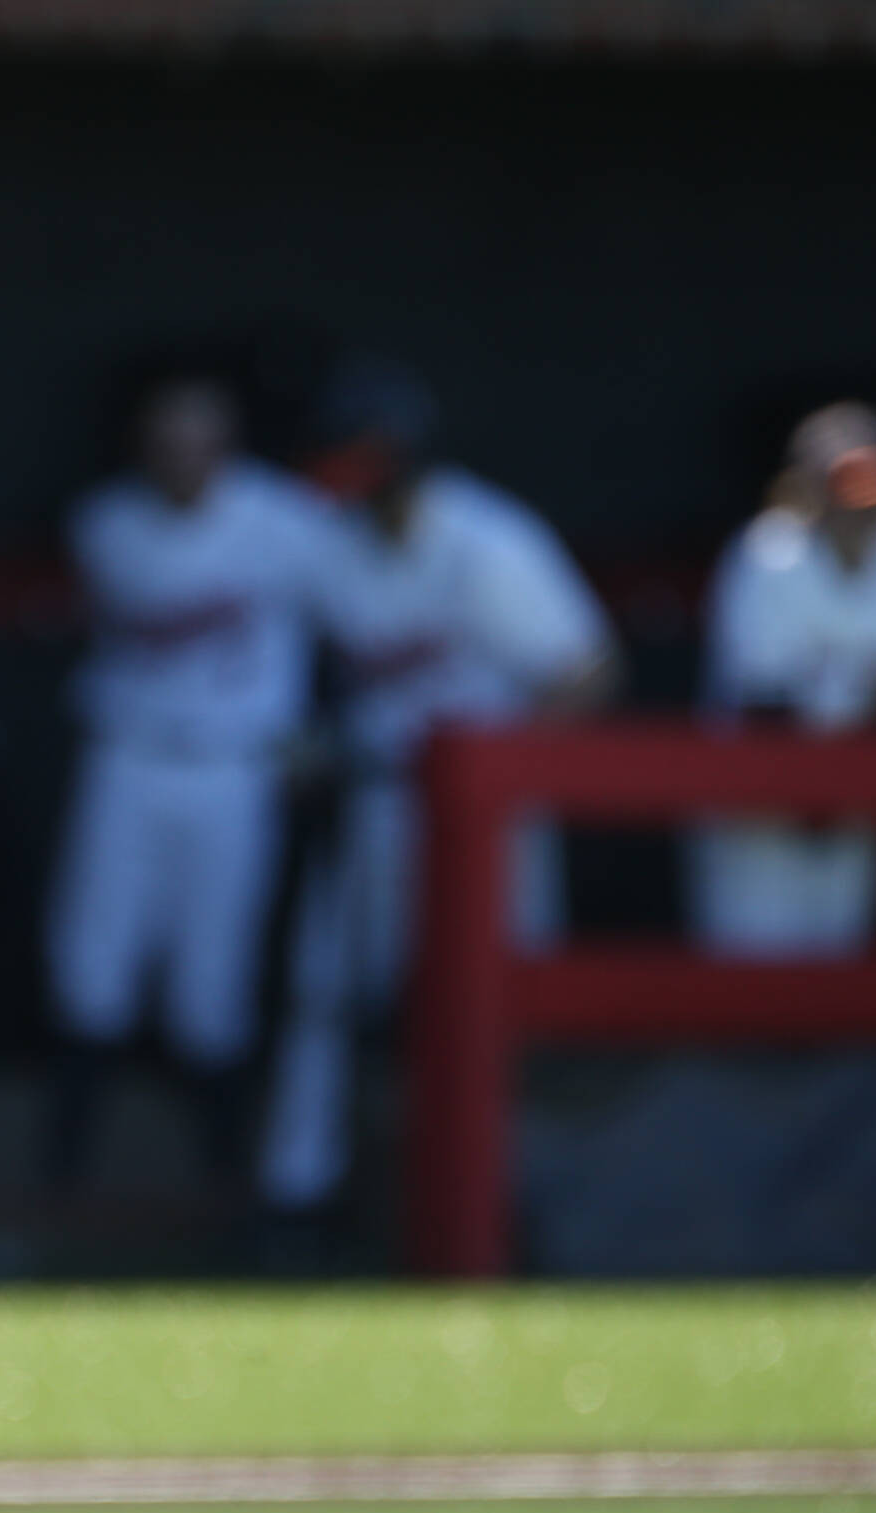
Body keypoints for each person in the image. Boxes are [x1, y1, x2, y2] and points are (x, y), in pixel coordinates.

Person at [254, 358, 617, 1247]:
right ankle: (301, 1197)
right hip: (381, 803)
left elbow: (587, 673)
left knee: (494, 1005)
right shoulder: (333, 544)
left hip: (483, 824)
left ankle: (513, 1197)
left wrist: (511, 778)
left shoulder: (487, 541)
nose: (340, 489)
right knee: (328, 997)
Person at [43, 376, 347, 1196]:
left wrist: (318, 742)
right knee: (91, 962)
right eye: (166, 446)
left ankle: (224, 1184)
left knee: (214, 984)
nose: (181, 462)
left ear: (228, 446)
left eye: (197, 445)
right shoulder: (106, 524)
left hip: (234, 769)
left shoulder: (292, 524)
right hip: (129, 758)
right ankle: (64, 1182)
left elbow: (346, 635)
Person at [693, 402, 876, 956]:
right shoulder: (766, 553)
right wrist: (863, 687)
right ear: (810, 482)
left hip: (858, 799)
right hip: (760, 798)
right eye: (846, 476)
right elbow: (766, 699)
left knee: (838, 959)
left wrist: (845, 693)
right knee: (750, 966)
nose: (862, 496)